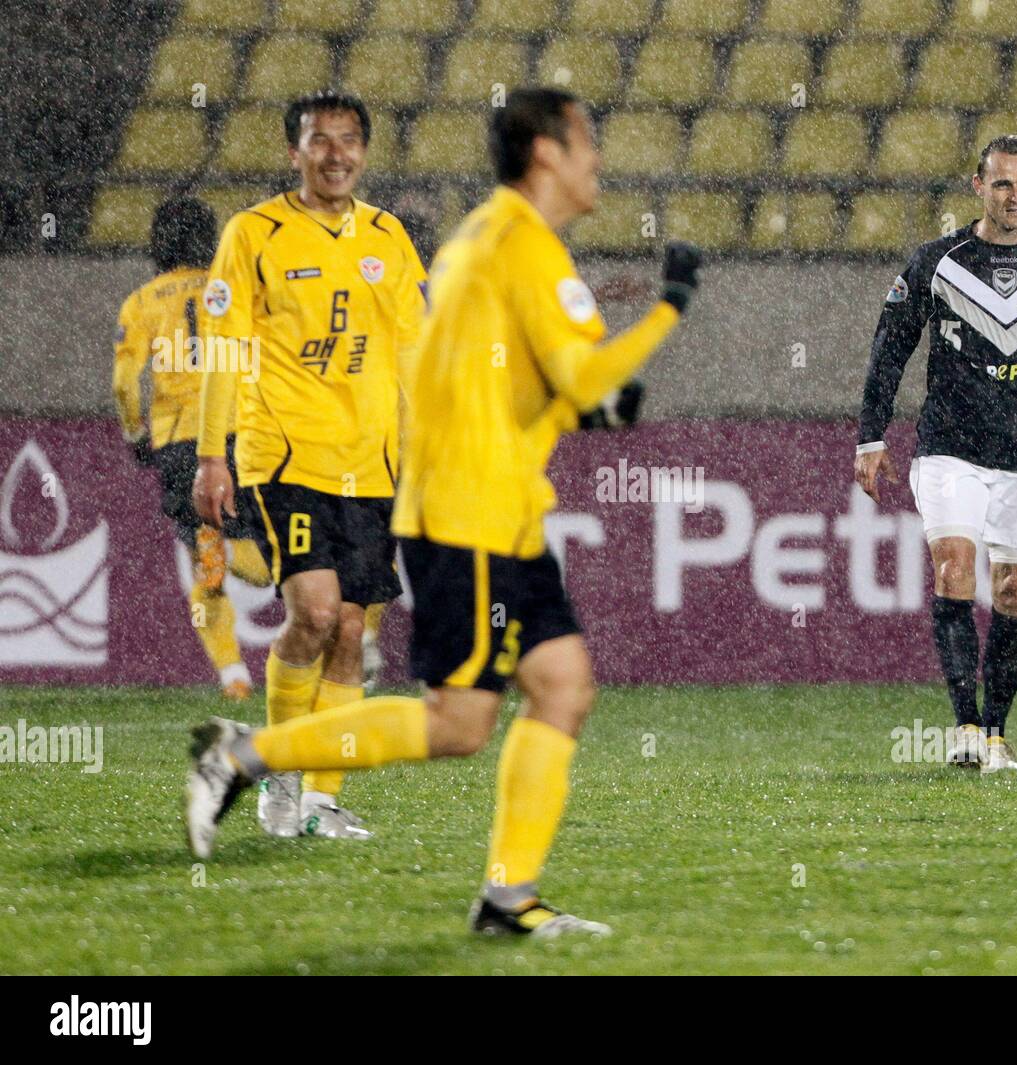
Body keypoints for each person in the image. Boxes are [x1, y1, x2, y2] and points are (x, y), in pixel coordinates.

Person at [186, 87, 702, 937]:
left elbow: (461, 366)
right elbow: (585, 379)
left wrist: (562, 403)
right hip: (452, 505)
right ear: (547, 152)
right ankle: (252, 758)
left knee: (560, 688)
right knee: (444, 710)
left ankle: (506, 896)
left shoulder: (442, 240)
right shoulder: (517, 247)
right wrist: (670, 307)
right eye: (587, 141)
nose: (598, 159)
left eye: (352, 140)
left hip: (452, 493)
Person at [192, 91, 427, 839]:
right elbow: (224, 350)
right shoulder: (253, 234)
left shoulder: (389, 237)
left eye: (349, 140)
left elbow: (415, 355)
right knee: (316, 613)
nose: (335, 154)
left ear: (364, 151)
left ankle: (322, 798)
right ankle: (276, 775)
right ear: (294, 153)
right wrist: (209, 453)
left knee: (353, 630)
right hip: (284, 454)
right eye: (318, 140)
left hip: (373, 464)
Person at [854, 135, 1017, 774]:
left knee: (1015, 592)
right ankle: (965, 727)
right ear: (978, 187)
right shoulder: (936, 262)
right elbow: (890, 349)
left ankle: (998, 732)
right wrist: (872, 436)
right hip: (951, 446)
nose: (1015, 197)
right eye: (1002, 184)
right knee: (954, 569)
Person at [113, 196, 269, 700]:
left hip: (180, 440)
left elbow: (122, 383)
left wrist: (136, 433)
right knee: (263, 556)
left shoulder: (142, 302)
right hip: (238, 432)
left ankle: (233, 676)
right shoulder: (231, 291)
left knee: (207, 560)